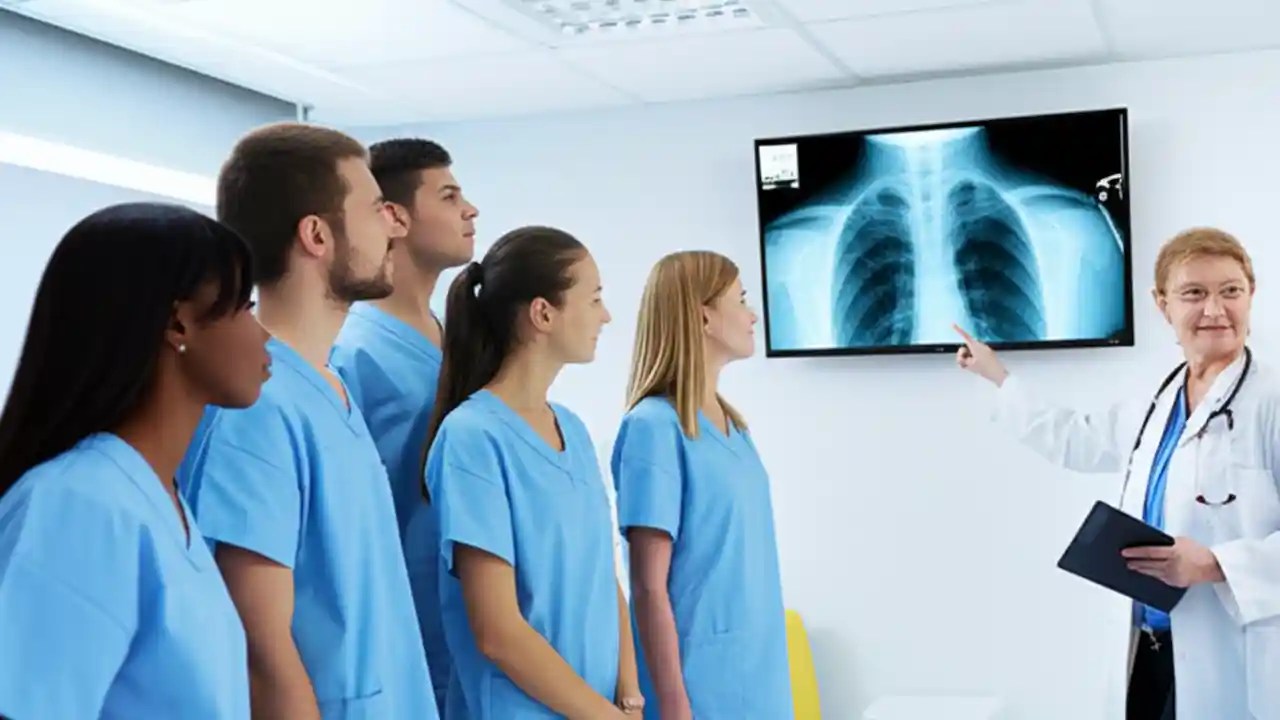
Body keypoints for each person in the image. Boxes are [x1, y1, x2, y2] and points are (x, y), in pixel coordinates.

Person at [955, 227, 1280, 720]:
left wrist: (1215, 563)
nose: (1215, 310)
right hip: (1152, 649)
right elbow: (1077, 439)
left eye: (1230, 291)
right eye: (1194, 293)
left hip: (1234, 651)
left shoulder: (1271, 401)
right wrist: (999, 378)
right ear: (1162, 303)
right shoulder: (1160, 400)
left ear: (1251, 295)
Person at [178, 123, 437, 720]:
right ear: (317, 235)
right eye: (377, 209)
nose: (396, 226)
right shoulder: (256, 407)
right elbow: (260, 650)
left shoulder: (330, 386)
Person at [0, 203, 269, 719]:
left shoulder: (160, 502)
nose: (264, 334)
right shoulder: (80, 504)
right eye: (245, 307)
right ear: (178, 322)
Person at [424, 226, 641, 719]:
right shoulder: (473, 439)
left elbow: (604, 580)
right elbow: (498, 631)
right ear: (543, 313)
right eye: (594, 299)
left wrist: (629, 695)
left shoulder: (575, 432)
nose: (605, 316)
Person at [610, 250, 792, 720]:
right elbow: (648, 587)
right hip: (698, 688)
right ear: (703, 315)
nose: (753, 315)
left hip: (760, 681)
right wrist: (673, 706)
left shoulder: (734, 426)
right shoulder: (654, 428)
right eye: (742, 299)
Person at [330, 137, 478, 714]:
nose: (471, 210)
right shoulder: (353, 354)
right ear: (394, 217)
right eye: (449, 195)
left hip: (465, 629)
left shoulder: (454, 343)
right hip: (401, 640)